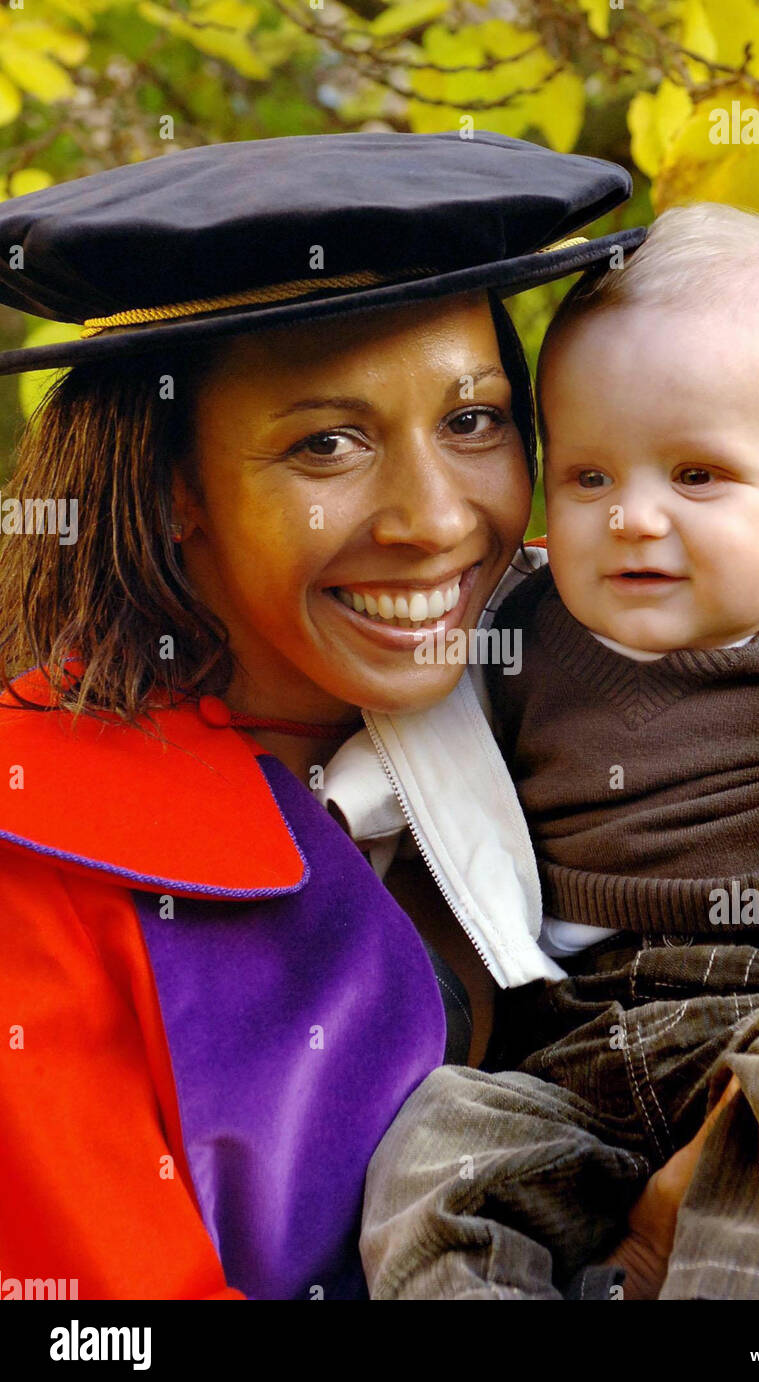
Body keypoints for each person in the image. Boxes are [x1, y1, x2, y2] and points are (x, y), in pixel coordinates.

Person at [0, 129, 652, 1300]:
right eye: (327, 444)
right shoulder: (32, 875)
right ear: (172, 492)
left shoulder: (609, 671)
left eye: (472, 421)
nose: (433, 519)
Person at [357, 204, 759, 1301]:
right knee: (440, 1136)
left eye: (697, 476)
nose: (630, 517)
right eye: (588, 478)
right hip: (572, 1035)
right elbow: (407, 758)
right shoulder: (519, 626)